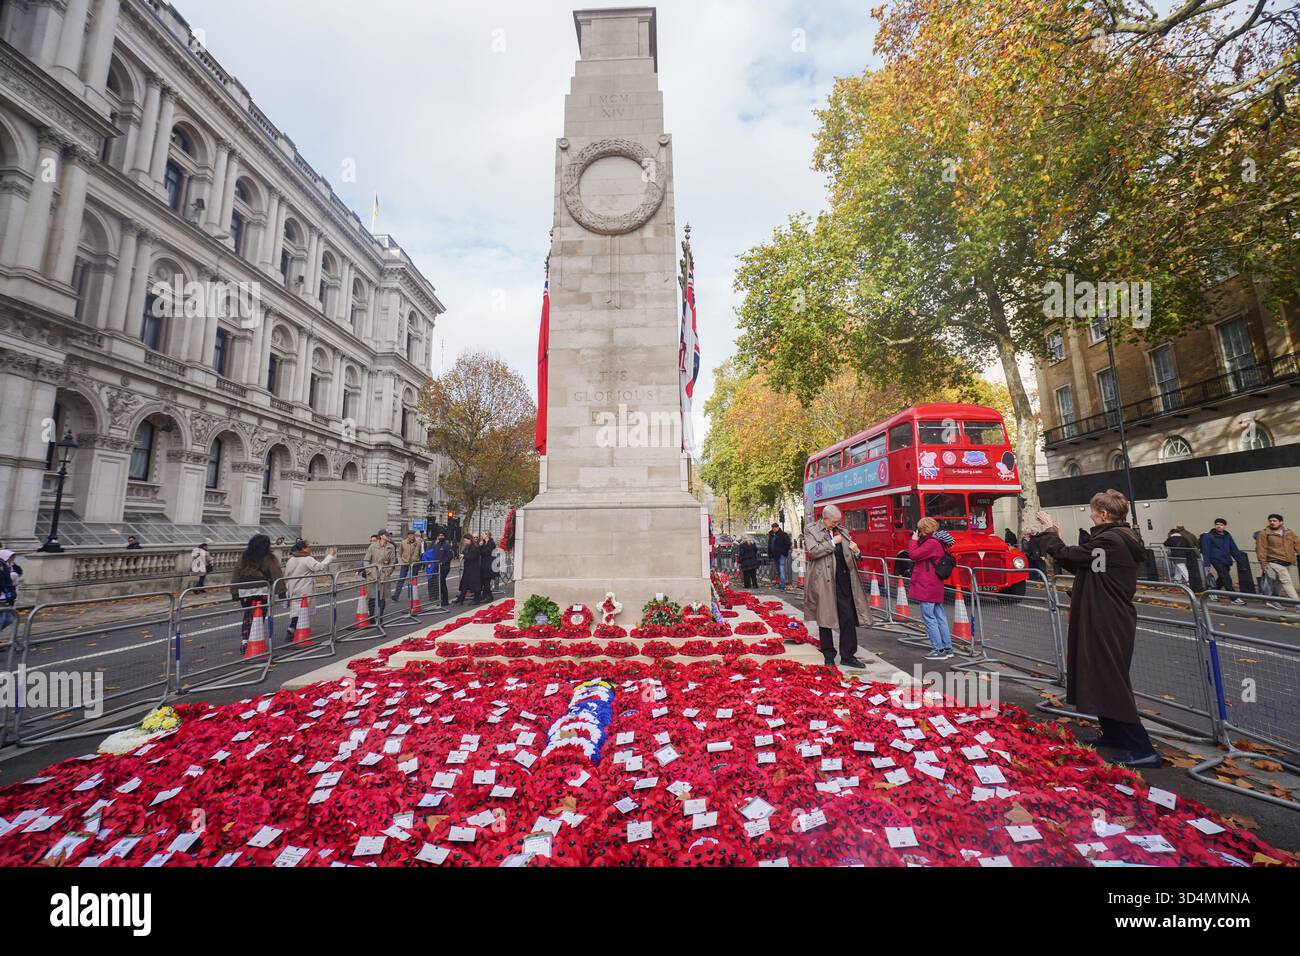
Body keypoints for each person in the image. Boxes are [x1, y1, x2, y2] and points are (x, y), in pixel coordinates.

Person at [1034, 491, 1160, 769]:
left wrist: (1049, 532)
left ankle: (1142, 748)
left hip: (1107, 618)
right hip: (1103, 615)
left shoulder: (1111, 540)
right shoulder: (1115, 538)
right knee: (1100, 674)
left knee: (1109, 677)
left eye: (1093, 511)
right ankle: (1114, 733)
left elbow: (1070, 557)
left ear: (1103, 514)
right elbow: (1085, 563)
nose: (1090, 515)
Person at [802, 504, 871, 669]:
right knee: (825, 618)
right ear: (825, 519)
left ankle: (848, 655)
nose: (836, 524)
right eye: (833, 521)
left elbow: (850, 553)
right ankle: (828, 655)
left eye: (837, 521)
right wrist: (832, 542)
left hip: (843, 579)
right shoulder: (811, 530)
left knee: (847, 617)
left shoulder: (842, 531)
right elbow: (813, 551)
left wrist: (857, 552)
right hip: (824, 581)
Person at [229, 534, 286, 652]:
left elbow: (236, 573)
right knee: (259, 615)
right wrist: (281, 591)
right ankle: (256, 639)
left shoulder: (244, 556)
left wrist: (234, 592)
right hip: (262, 589)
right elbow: (276, 574)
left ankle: (245, 640)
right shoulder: (269, 557)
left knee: (248, 615)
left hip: (244, 590)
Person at [908, 517, 954, 661]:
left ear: (923, 529)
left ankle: (938, 649)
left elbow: (913, 554)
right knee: (940, 616)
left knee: (929, 618)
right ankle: (947, 648)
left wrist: (914, 540)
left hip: (927, 585)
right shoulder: (938, 541)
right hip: (935, 584)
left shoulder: (931, 543)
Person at [284, 540, 337, 641]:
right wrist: (330, 556)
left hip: (293, 587)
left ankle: (296, 628)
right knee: (302, 611)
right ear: (303, 548)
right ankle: (293, 629)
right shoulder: (307, 559)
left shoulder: (291, 559)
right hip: (304, 588)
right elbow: (320, 567)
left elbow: (287, 574)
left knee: (296, 610)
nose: (310, 548)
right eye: (308, 546)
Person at [1200, 518, 1247, 605]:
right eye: (1217, 524)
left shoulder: (1227, 536)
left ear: (1225, 526)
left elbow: (1234, 549)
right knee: (1226, 577)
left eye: (1221, 525)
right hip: (1216, 560)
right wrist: (1207, 564)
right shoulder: (1208, 536)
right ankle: (1234, 598)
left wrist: (1240, 561)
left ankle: (1212, 592)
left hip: (1226, 560)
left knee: (1222, 578)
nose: (1219, 526)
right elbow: (1205, 550)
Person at [1256, 513, 1299, 606]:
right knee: (1286, 580)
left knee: (1279, 582)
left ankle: (1273, 599)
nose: (1272, 522)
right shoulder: (1264, 533)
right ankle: (1297, 603)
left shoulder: (1289, 532)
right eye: (1270, 521)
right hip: (1273, 560)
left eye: (1274, 521)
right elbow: (1261, 549)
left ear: (1281, 522)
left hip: (1286, 561)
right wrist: (1263, 563)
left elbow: (1297, 543)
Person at [363, 530, 397, 623]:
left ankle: (380, 617)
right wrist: (369, 571)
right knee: (372, 597)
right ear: (381, 536)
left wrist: (389, 572)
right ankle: (372, 617)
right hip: (373, 574)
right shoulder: (373, 546)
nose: (388, 537)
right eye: (387, 535)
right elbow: (366, 560)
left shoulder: (391, 547)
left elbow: (393, 561)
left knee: (382, 597)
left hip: (384, 574)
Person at [0, 549, 22, 644]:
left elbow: (18, 573)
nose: (12, 559)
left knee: (9, 618)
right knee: (4, 618)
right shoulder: (2, 566)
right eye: (10, 557)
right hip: (3, 596)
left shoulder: (7, 566)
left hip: (8, 595)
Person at [392, 530, 421, 602]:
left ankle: (411, 596)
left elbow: (420, 552)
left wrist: (418, 560)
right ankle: (396, 595)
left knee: (412, 580)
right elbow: (400, 553)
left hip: (414, 563)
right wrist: (401, 562)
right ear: (408, 535)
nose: (412, 536)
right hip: (405, 563)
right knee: (401, 579)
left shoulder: (418, 543)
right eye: (410, 535)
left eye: (413, 534)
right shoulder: (403, 542)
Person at [456, 535, 481, 604]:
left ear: (469, 539)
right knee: (464, 583)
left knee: (475, 584)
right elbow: (464, 553)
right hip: (467, 567)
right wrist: (462, 555)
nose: (465, 542)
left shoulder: (475, 547)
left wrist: (464, 556)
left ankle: (477, 599)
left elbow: (473, 557)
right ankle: (461, 598)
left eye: (466, 540)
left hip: (474, 568)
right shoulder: (467, 546)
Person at [768, 523, 792, 591]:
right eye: (773, 528)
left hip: (781, 554)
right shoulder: (771, 535)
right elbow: (769, 545)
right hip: (775, 554)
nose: (774, 529)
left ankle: (782, 585)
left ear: (778, 527)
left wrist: (785, 552)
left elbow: (788, 543)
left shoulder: (783, 534)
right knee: (778, 570)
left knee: (781, 569)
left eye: (775, 528)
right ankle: (781, 583)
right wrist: (770, 554)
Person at [478, 532, 495, 602]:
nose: (482, 535)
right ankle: (486, 596)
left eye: (483, 534)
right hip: (483, 564)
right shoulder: (484, 543)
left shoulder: (491, 543)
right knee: (484, 581)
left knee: (487, 581)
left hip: (489, 564)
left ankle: (489, 596)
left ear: (487, 535)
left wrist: (481, 547)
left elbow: (486, 552)